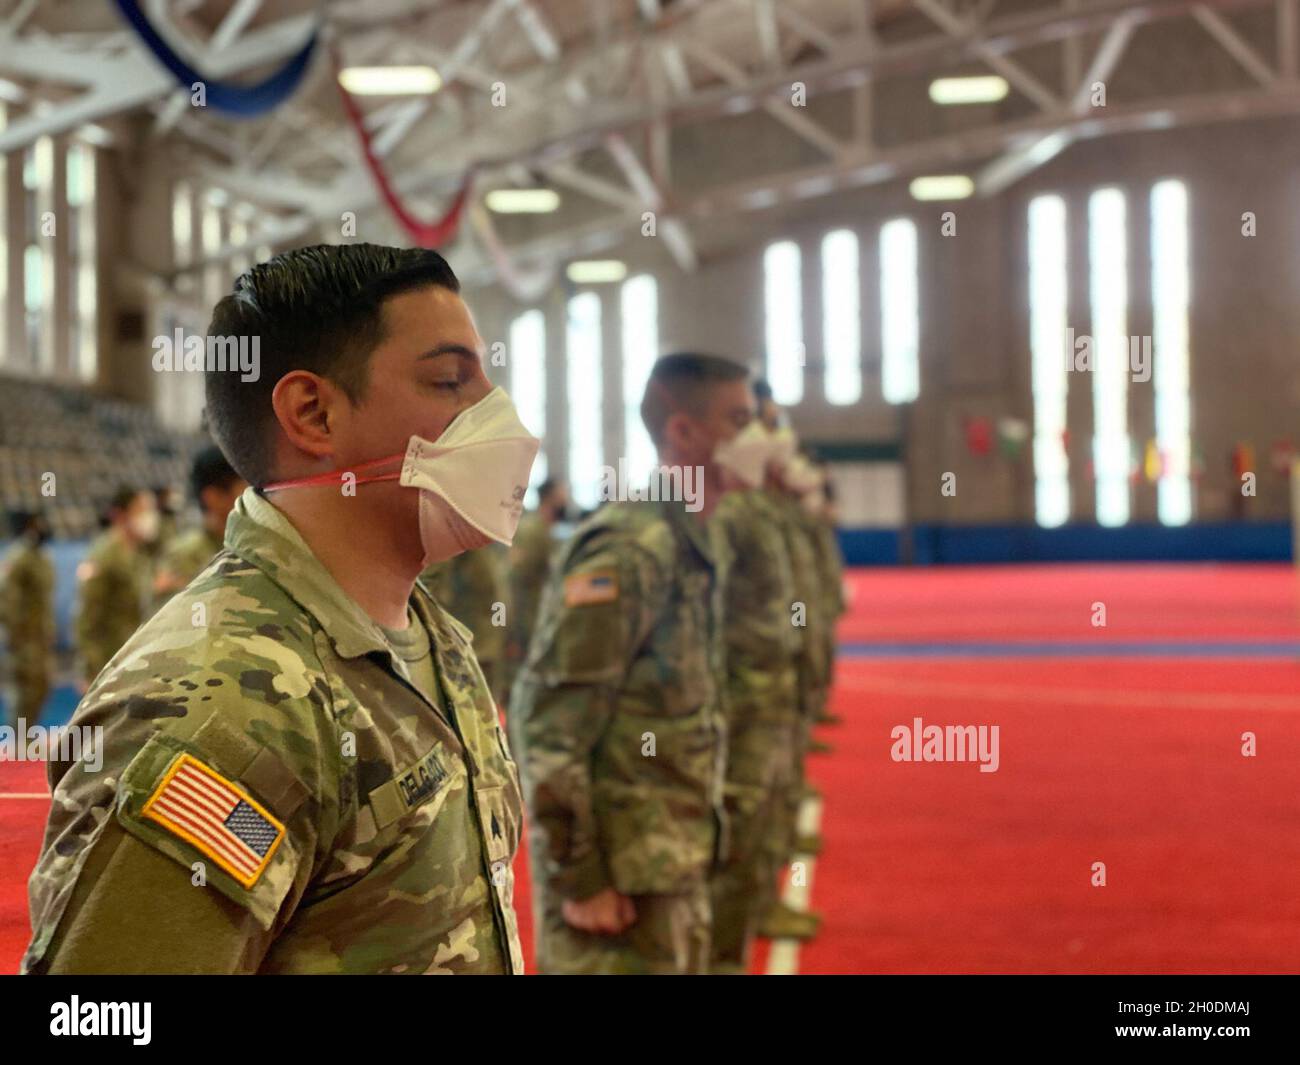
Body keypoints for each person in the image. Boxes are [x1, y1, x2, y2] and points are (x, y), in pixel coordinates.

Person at [23, 243, 537, 975]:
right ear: (313, 413)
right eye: (451, 380)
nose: (494, 413)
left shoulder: (428, 637)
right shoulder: (219, 705)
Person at [510, 352, 755, 974]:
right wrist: (579, 876)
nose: (760, 440)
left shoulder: (694, 540)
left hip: (672, 863)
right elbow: (549, 725)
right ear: (683, 433)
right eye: (741, 420)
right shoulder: (630, 550)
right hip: (618, 885)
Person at [707, 419, 807, 972]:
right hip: (740, 689)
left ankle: (750, 925)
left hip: (765, 678)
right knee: (739, 822)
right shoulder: (731, 513)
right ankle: (727, 953)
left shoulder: (754, 509)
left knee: (760, 805)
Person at [73, 487, 158, 687]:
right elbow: (86, 618)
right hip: (108, 663)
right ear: (120, 515)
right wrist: (90, 671)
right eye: (141, 510)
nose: (149, 517)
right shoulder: (104, 555)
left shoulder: (140, 553)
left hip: (134, 658)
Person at [152, 445, 247, 610]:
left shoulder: (247, 545)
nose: (251, 496)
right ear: (213, 497)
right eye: (243, 488)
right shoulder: (184, 555)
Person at [420, 544, 511, 706]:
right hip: (469, 641)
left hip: (478, 646)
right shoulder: (475, 557)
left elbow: (500, 601)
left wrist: (497, 635)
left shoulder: (479, 559)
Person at [505, 476, 569, 695]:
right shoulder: (532, 531)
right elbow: (516, 581)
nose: (567, 499)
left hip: (539, 620)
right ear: (551, 498)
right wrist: (514, 633)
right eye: (563, 493)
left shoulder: (545, 530)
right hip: (528, 623)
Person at [0, 512, 56, 727]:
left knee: (41, 686)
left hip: (40, 635)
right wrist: (15, 634)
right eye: (37, 524)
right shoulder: (18, 557)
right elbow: (6, 599)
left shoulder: (41, 557)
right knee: (23, 688)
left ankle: (29, 733)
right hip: (23, 638)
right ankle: (18, 738)